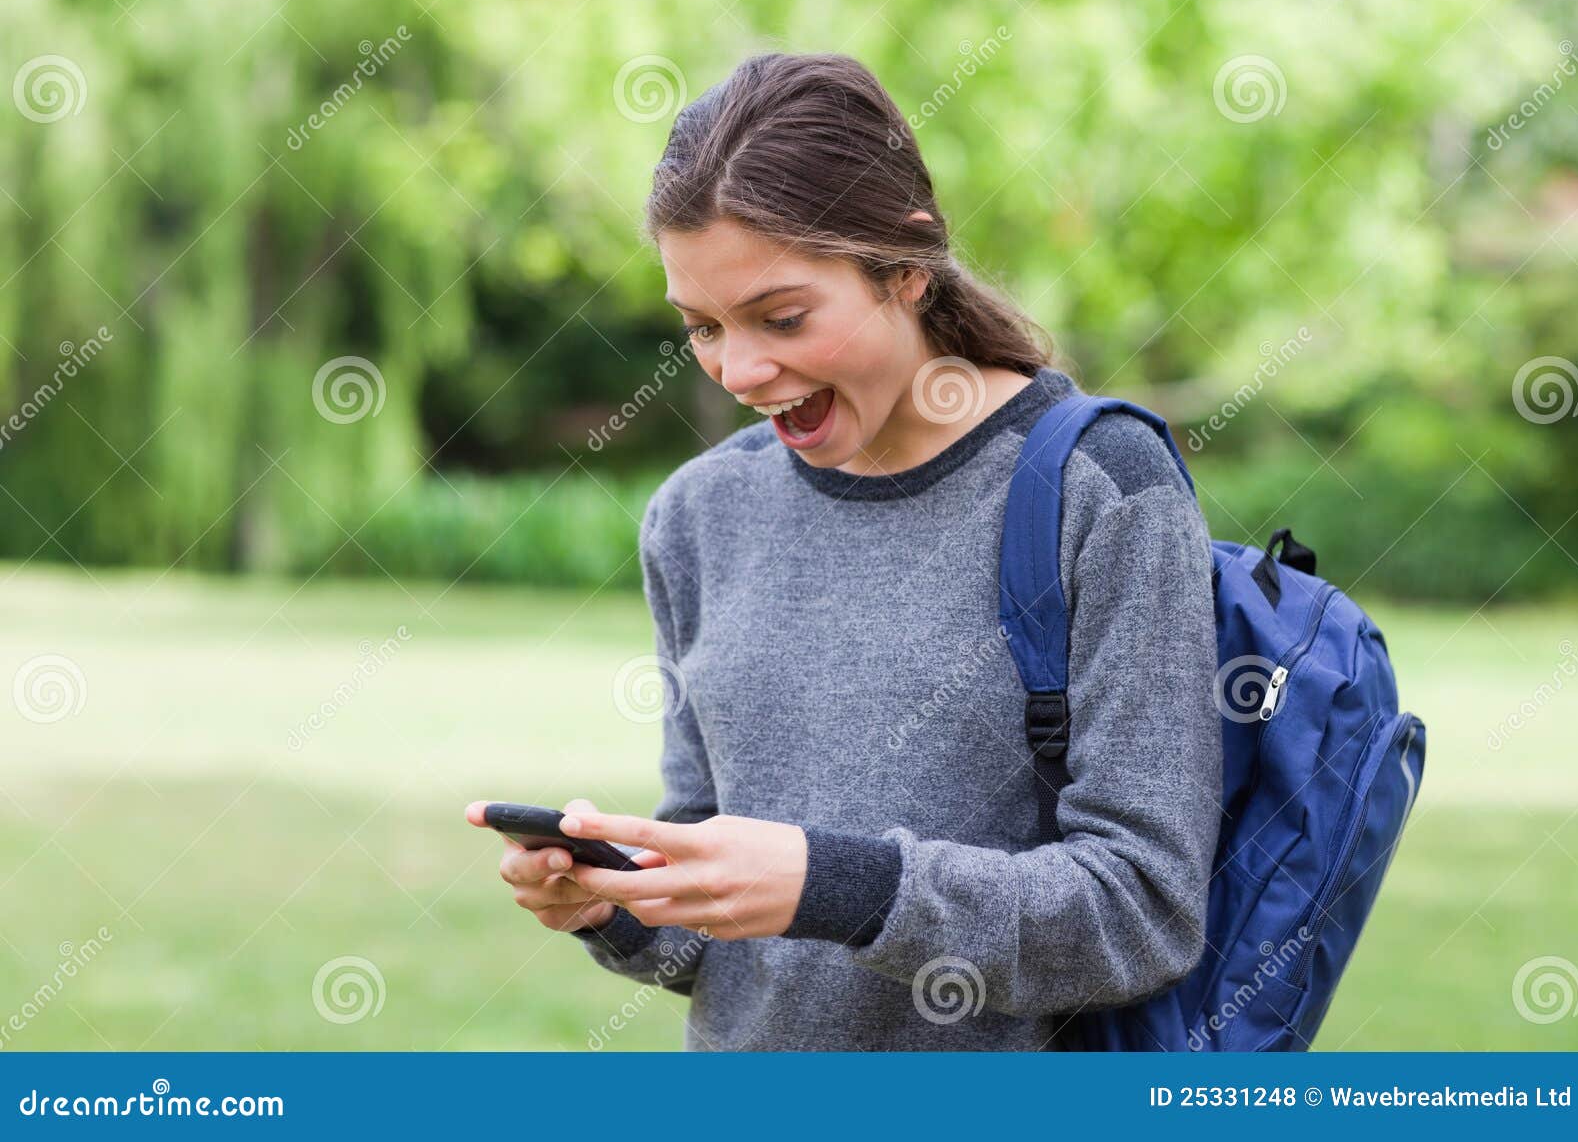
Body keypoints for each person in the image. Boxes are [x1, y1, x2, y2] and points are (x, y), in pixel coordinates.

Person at [466, 51, 1222, 1051]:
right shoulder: (700, 513)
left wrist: (841, 884)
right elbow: (726, 915)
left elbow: (1141, 907)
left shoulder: (1101, 484)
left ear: (905, 268)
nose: (739, 367)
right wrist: (617, 899)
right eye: (700, 326)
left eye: (782, 317)